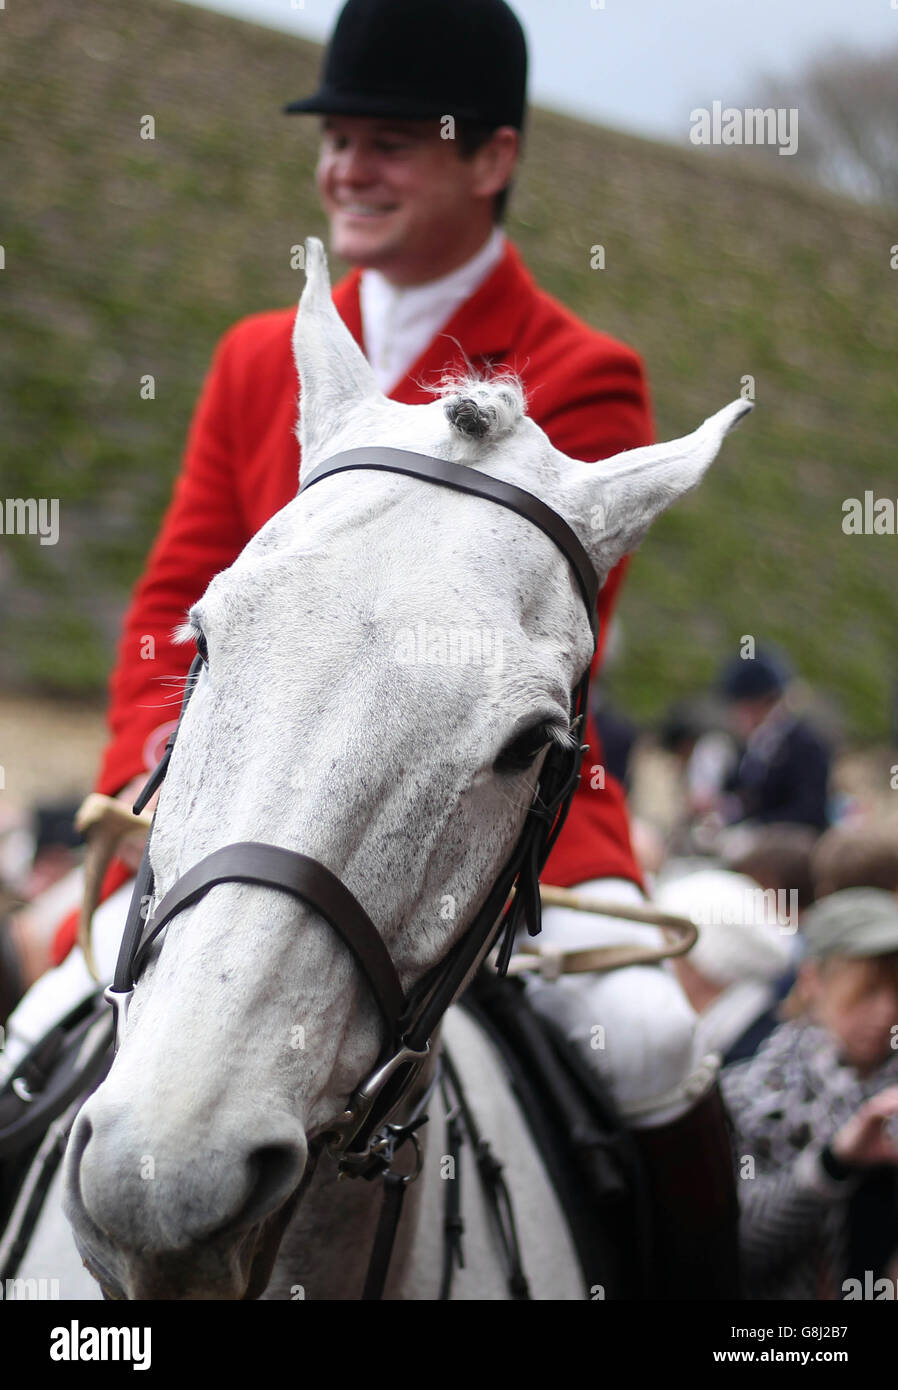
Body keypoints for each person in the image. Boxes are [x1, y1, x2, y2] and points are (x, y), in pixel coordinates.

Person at [1, 0, 739, 1298]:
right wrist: (164, 777)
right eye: (338, 137)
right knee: (34, 1030)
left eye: (389, 140)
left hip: (482, 803)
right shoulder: (252, 356)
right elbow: (174, 596)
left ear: (490, 158)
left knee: (643, 1040)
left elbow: (539, 654)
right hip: (228, 800)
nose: (348, 167)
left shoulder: (581, 367)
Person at [721, 888, 898, 1299]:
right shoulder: (750, 1093)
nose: (887, 1010)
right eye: (866, 989)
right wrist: (832, 1164)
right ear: (812, 980)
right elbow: (736, 1244)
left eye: (897, 988)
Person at [716, 647, 830, 836]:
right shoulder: (751, 747)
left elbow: (810, 811)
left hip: (792, 846)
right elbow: (739, 792)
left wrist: (754, 828)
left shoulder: (806, 746)